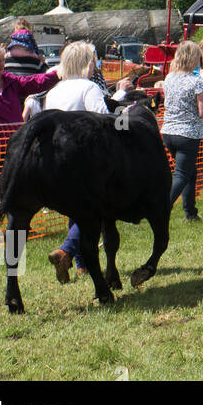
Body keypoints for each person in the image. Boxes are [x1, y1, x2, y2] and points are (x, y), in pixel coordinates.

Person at [44, 41, 114, 281]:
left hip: (56, 159)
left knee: (74, 210)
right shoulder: (89, 87)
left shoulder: (54, 90)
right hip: (85, 157)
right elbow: (103, 120)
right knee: (92, 210)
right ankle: (66, 251)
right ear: (87, 63)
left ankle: (82, 265)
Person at [0, 45, 58, 224]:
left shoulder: (10, 81)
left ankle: (19, 222)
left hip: (16, 144)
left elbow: (34, 82)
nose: (1, 64)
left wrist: (56, 74)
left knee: (19, 183)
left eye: (3, 60)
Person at [161, 41, 203, 222]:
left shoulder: (169, 78)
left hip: (168, 132)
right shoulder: (197, 82)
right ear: (193, 58)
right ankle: (161, 209)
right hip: (188, 134)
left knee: (190, 172)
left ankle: (190, 213)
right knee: (182, 174)